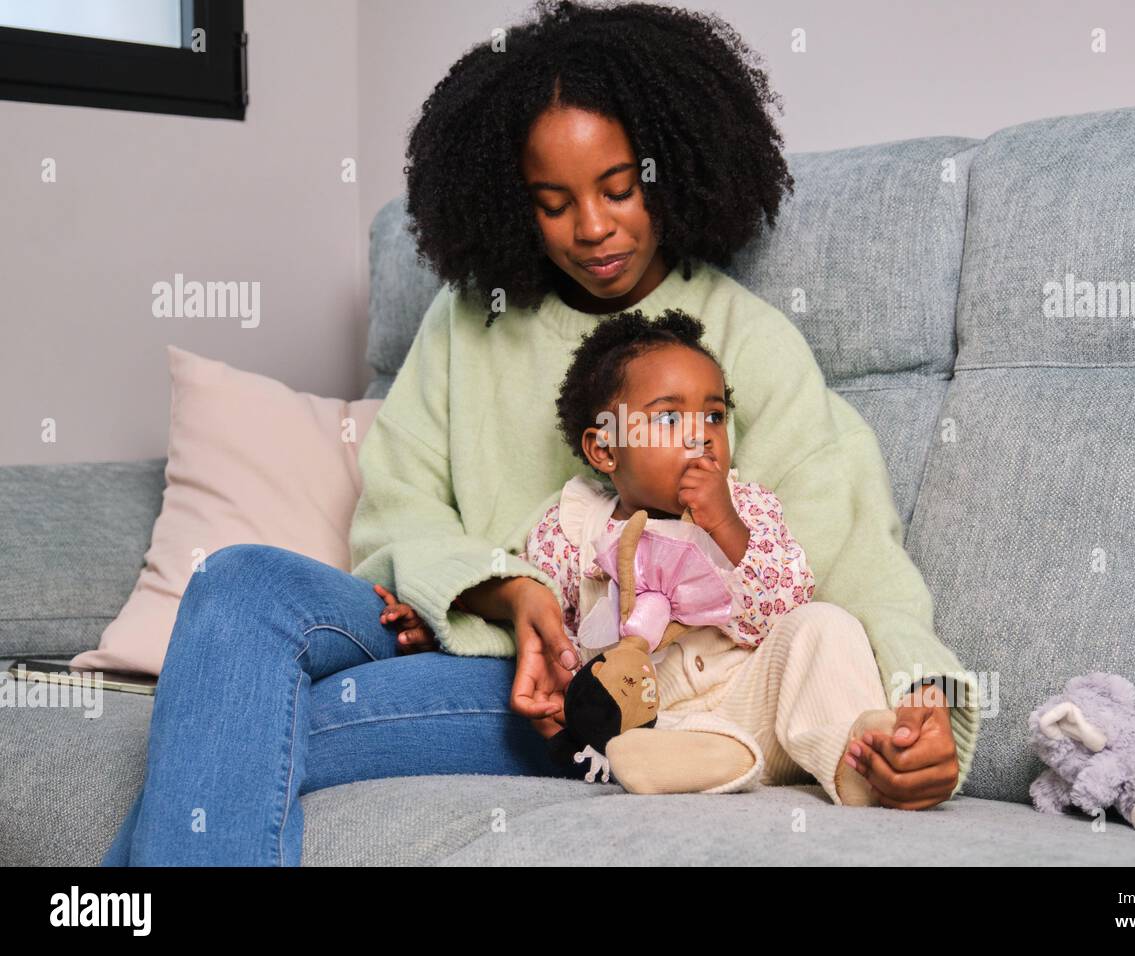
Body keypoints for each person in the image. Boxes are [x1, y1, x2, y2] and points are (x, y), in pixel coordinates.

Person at [102, 0, 975, 867]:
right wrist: (502, 590)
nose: (592, 228)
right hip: (447, 616)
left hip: (592, 685)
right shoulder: (465, 321)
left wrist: (921, 703)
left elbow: (857, 560)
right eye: (553, 203)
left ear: (670, 171)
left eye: (620, 189)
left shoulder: (746, 343)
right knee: (237, 583)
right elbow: (395, 508)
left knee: (234, 720)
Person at [514, 307, 899, 803]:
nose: (701, 435)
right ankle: (706, 761)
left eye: (714, 415)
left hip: (756, 703)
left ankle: (858, 757)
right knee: (632, 738)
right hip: (660, 718)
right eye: (669, 418)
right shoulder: (570, 530)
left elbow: (783, 608)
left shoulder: (746, 509)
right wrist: (565, 698)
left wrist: (727, 527)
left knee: (826, 622)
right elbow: (553, 637)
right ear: (605, 449)